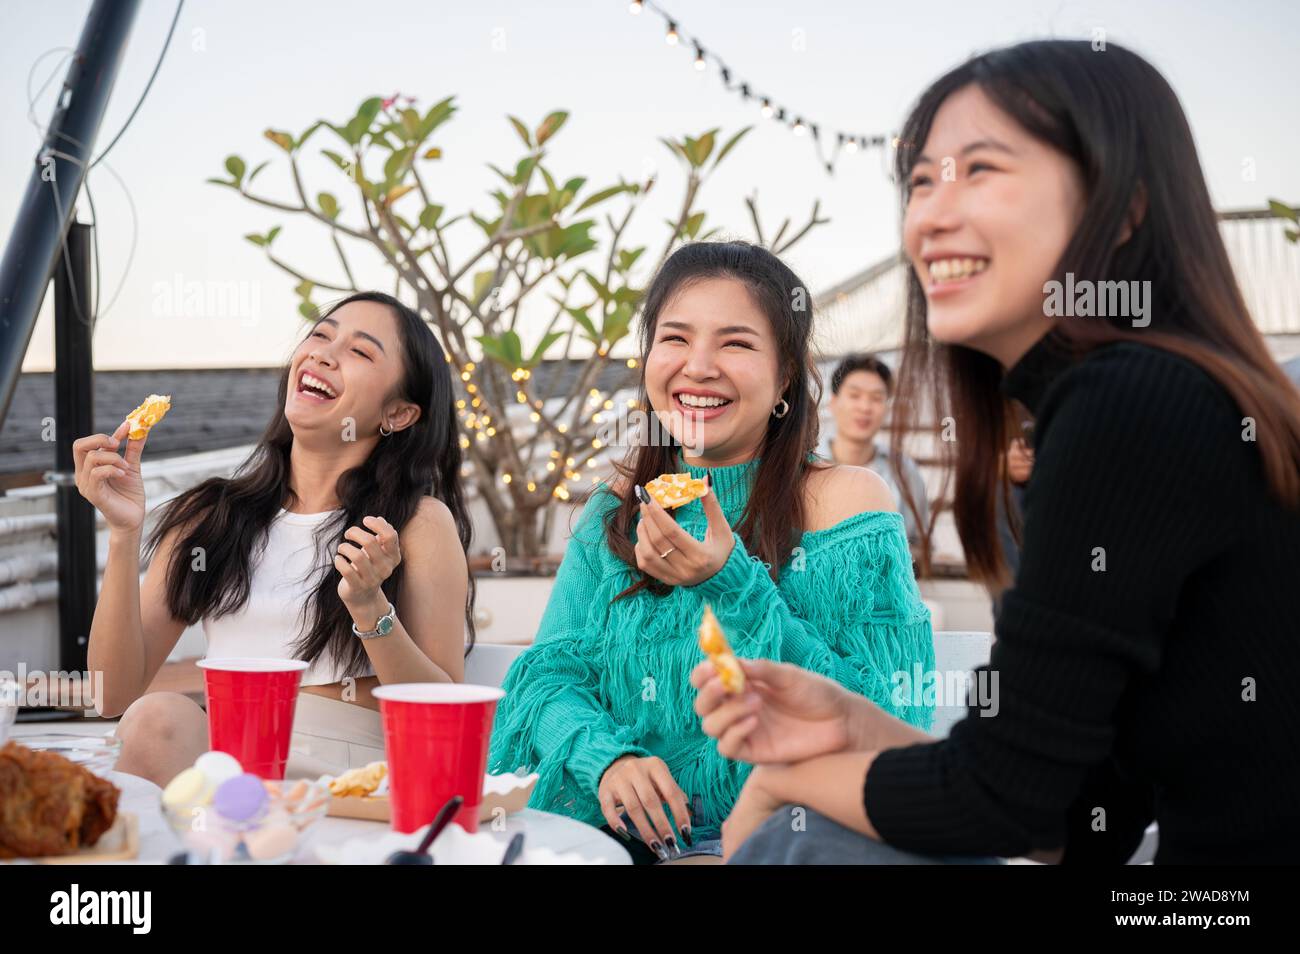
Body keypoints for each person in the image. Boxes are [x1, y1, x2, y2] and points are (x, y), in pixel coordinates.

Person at [694, 40, 1300, 864]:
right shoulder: (1161, 393)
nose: (931, 217)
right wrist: (850, 723)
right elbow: (1079, 812)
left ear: (1123, 209)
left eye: (980, 170)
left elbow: (1007, 804)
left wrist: (785, 784)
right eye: (919, 181)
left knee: (808, 844)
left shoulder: (1130, 402)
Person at [488, 241, 935, 864]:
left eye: (736, 343)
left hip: (780, 844)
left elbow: (890, 715)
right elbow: (547, 678)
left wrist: (732, 584)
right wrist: (605, 757)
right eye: (674, 339)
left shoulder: (848, 502)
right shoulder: (613, 511)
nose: (697, 367)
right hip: (611, 841)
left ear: (784, 376)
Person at [74, 292, 475, 786]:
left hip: (349, 783)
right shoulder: (211, 519)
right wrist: (122, 532)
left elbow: (445, 711)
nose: (324, 353)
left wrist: (371, 608)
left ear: (398, 413)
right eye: (321, 334)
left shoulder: (416, 524)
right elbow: (111, 695)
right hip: (230, 776)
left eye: (361, 352)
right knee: (157, 720)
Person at [817, 353, 929, 544]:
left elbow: (919, 543)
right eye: (854, 395)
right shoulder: (806, 463)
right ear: (833, 403)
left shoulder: (903, 470)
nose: (865, 407)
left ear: (886, 409)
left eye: (877, 398)